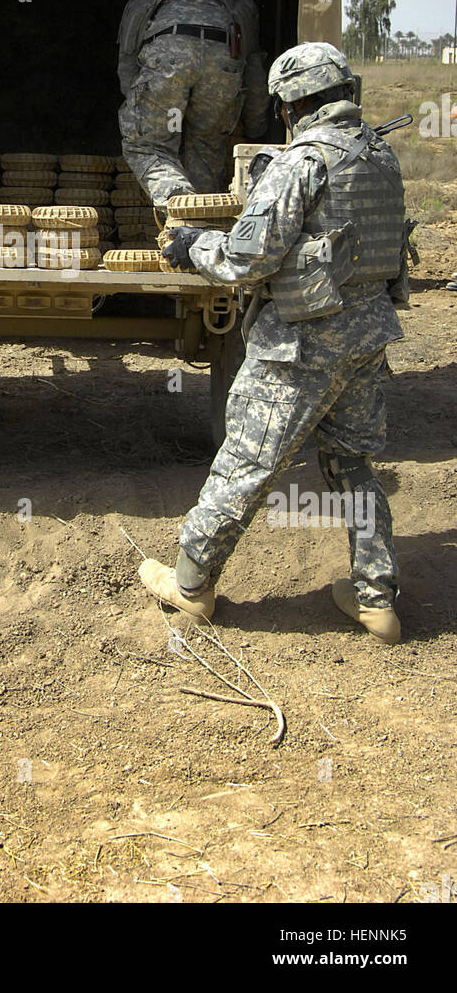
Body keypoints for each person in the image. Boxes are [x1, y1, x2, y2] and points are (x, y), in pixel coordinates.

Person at [139, 41, 408, 644]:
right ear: (348, 93)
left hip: (302, 341)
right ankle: (376, 600)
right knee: (352, 464)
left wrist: (190, 247)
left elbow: (246, 259)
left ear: (289, 107)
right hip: (368, 334)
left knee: (248, 461)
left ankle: (190, 586)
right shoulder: (383, 157)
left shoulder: (302, 162)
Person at [117, 0, 268, 208]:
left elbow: (127, 59)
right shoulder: (234, 0)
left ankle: (178, 200)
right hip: (225, 59)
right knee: (206, 148)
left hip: (168, 54)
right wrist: (257, 128)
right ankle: (202, 229)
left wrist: (141, 111)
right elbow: (254, 73)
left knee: (147, 145)